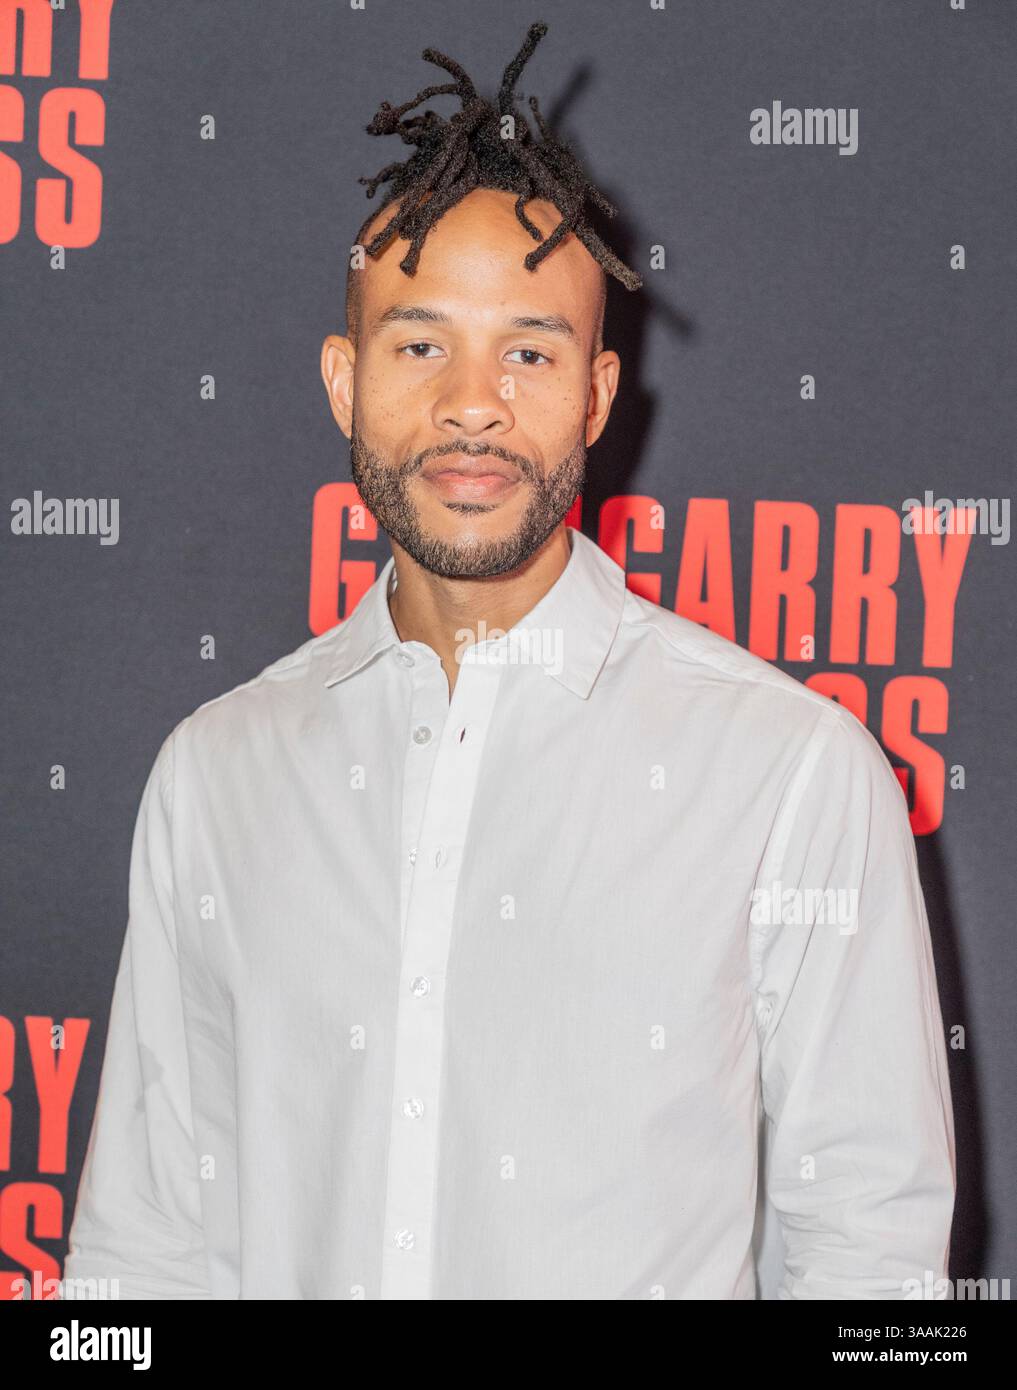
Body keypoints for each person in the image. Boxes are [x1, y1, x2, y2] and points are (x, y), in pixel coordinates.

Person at [63, 23, 955, 1301]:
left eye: (528, 352)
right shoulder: (217, 774)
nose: (473, 403)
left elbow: (871, 1271)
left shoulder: (793, 779)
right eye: (420, 344)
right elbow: (139, 1263)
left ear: (597, 396)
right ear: (343, 381)